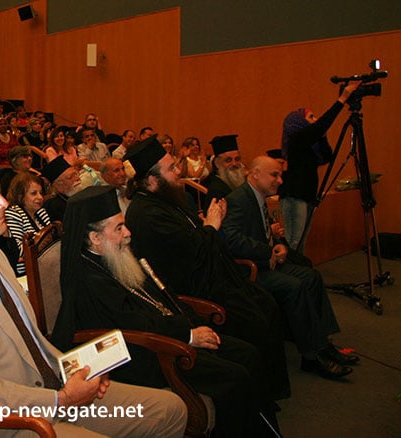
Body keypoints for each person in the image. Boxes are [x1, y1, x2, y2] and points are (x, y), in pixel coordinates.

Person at [0, 153, 187, 437]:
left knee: (169, 409)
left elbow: (32, 343)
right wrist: (60, 400)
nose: (3, 203)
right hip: (9, 423)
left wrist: (77, 373)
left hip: (53, 391)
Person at [53, 186, 277, 437]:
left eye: (124, 225)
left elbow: (158, 297)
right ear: (95, 238)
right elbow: (132, 324)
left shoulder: (115, 255)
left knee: (247, 353)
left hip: (167, 333)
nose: (128, 234)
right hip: (143, 354)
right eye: (118, 228)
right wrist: (188, 336)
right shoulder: (89, 278)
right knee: (234, 377)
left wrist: (189, 324)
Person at [123, 137, 291, 401]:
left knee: (266, 303)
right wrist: (212, 225)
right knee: (255, 319)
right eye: (170, 169)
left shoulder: (166, 200)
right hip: (192, 290)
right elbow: (190, 253)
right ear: (152, 180)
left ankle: (272, 389)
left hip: (210, 277)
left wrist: (208, 226)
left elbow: (192, 239)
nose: (178, 171)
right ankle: (261, 395)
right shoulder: (146, 213)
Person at [222, 156, 358, 379]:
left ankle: (322, 343)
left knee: (312, 276)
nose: (280, 180)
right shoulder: (238, 199)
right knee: (294, 286)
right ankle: (312, 356)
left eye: (280, 174)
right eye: (274, 175)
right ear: (255, 173)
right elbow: (232, 240)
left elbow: (264, 232)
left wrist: (279, 246)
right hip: (249, 270)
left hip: (267, 262)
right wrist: (267, 252)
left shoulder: (259, 197)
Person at [280, 81, 361, 251]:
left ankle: (300, 273)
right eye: (311, 117)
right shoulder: (297, 139)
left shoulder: (310, 142)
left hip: (308, 194)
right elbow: (322, 124)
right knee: (294, 240)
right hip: (295, 196)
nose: (315, 120)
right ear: (299, 123)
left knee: (302, 241)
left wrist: (322, 136)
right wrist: (342, 99)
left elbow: (327, 157)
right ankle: (290, 273)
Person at [4, 172, 52, 272]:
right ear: (20, 196)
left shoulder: (41, 212)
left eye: (41, 193)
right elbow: (20, 251)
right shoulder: (13, 214)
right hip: (26, 273)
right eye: (34, 193)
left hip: (46, 267)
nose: (40, 197)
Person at [201, 134, 246, 207]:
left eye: (237, 159)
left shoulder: (242, 182)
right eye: (228, 160)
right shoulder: (216, 190)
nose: (234, 164)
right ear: (217, 163)